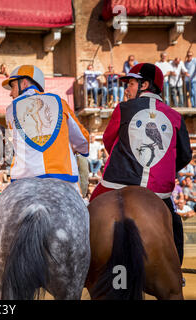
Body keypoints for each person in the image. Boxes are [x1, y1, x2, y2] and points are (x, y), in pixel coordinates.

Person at [89, 63, 192, 265]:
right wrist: (162, 168)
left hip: (117, 185)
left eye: (131, 83)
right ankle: (176, 271)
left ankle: (83, 265)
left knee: (90, 210)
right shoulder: (176, 117)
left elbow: (110, 141)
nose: (126, 89)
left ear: (145, 85)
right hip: (158, 193)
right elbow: (185, 155)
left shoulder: (123, 109)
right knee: (174, 224)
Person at [2, 65, 89, 194]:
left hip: (24, 180)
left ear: (24, 83)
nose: (10, 93)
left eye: (13, 86)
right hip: (62, 178)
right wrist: (80, 149)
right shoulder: (61, 103)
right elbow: (83, 139)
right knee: (84, 211)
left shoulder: (10, 110)